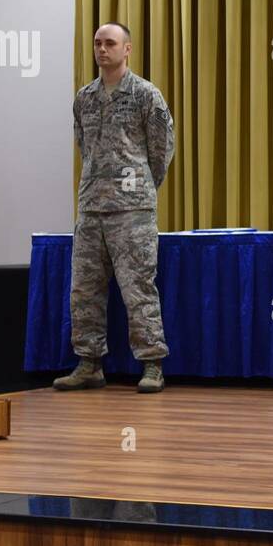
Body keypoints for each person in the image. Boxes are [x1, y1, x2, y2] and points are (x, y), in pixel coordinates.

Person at [53, 22, 175, 394]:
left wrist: (137, 188)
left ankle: (152, 363)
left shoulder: (145, 95)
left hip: (132, 211)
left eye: (110, 43)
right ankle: (89, 363)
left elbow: (161, 151)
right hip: (91, 207)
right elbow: (83, 146)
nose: (102, 49)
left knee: (138, 288)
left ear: (128, 50)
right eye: (97, 43)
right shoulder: (84, 98)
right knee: (84, 290)